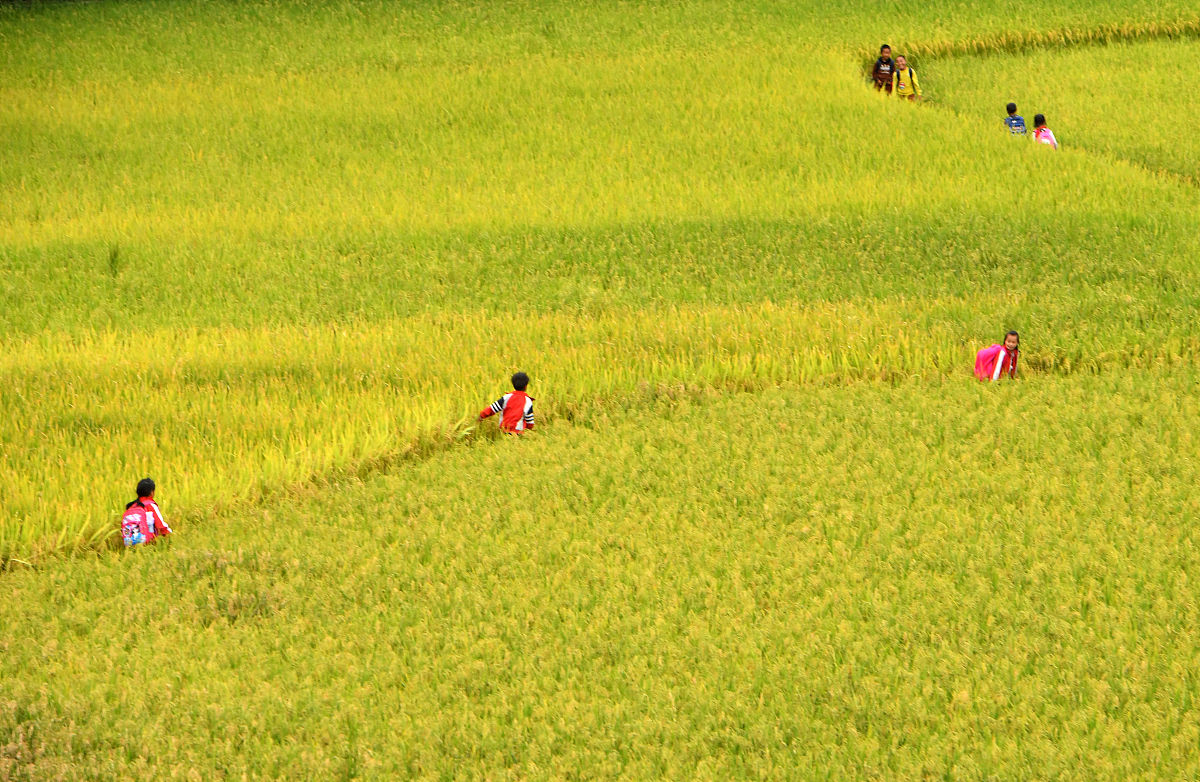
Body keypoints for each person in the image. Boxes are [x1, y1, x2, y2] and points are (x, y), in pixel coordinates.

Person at [121, 478, 172, 547]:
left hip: (129, 543)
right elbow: (160, 525)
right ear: (152, 492)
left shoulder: (132, 507)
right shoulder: (150, 505)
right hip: (148, 543)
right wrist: (169, 535)